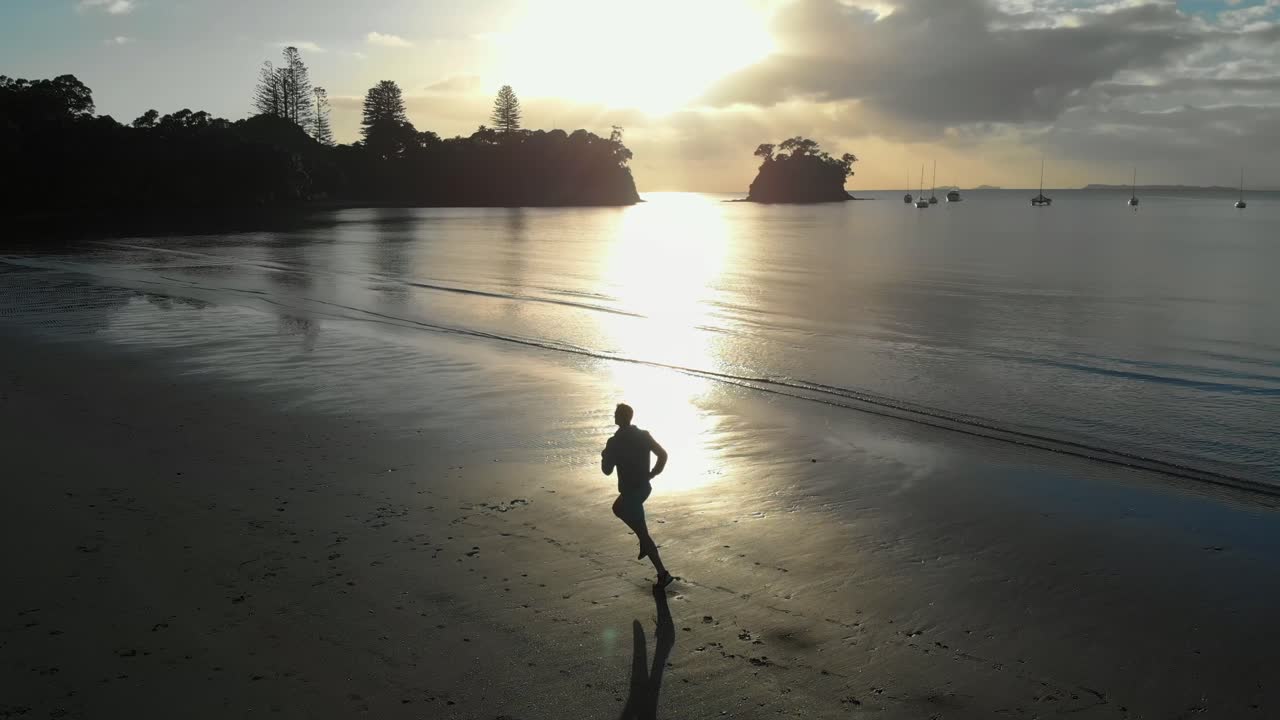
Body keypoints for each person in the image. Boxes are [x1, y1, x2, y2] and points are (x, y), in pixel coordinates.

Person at [602, 403, 672, 587]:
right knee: (617, 508)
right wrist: (653, 473)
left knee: (642, 532)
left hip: (631, 492)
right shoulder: (643, 435)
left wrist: (605, 455)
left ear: (622, 417)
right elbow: (663, 455)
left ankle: (663, 573)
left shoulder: (614, 442)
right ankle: (643, 540)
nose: (614, 416)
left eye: (616, 414)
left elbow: (606, 471)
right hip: (643, 488)